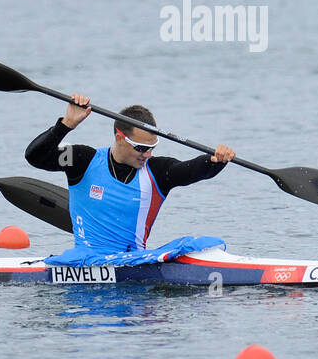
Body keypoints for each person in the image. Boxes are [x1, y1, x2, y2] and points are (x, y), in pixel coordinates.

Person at [25, 95, 234, 256]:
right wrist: (65, 125)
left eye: (152, 147)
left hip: (133, 262)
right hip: (84, 262)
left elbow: (191, 170)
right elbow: (35, 156)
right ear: (119, 138)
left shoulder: (159, 172)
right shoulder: (82, 160)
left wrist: (215, 160)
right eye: (141, 148)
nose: (148, 154)